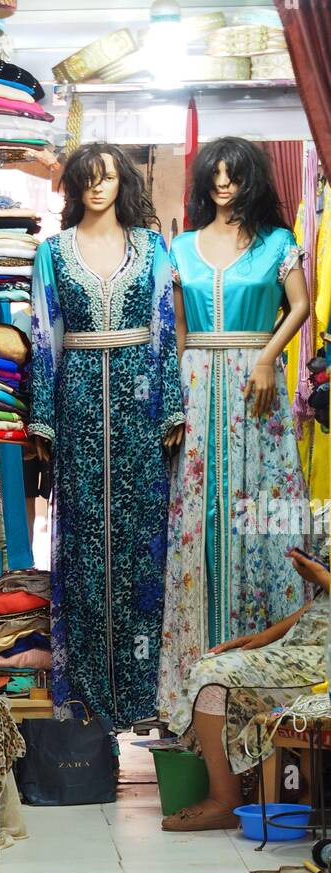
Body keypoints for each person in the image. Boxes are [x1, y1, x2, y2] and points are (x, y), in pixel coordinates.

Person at [29, 143, 185, 731]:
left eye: (109, 178)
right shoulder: (52, 253)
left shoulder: (151, 248)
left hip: (141, 405)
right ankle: (89, 692)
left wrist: (172, 406)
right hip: (77, 407)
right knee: (84, 544)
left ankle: (144, 691)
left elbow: (165, 329)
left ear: (123, 184)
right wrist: (43, 417)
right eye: (88, 179)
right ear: (72, 185)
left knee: (143, 543)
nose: (99, 188)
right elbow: (46, 336)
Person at [158, 138, 312, 730]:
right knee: (199, 519)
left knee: (262, 517)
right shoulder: (181, 247)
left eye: (234, 174)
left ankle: (269, 692)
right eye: (215, 175)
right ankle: (195, 691)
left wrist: (270, 356)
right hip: (196, 384)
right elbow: (175, 328)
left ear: (251, 180)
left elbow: (300, 305)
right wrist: (173, 403)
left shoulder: (278, 243)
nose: (224, 184)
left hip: (256, 388)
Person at [163, 544, 329, 831]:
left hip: (322, 660)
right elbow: (320, 605)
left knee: (214, 677)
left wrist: (321, 577)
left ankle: (224, 801)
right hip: (302, 648)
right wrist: (263, 637)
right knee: (210, 664)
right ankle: (239, 790)